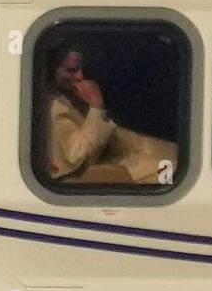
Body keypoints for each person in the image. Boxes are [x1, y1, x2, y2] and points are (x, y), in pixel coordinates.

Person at [40, 41, 177, 186]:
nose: (80, 76)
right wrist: (96, 106)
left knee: (169, 156)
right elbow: (78, 157)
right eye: (71, 70)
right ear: (52, 70)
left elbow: (118, 136)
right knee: (167, 171)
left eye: (82, 69)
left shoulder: (71, 99)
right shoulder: (54, 108)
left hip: (114, 156)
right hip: (85, 173)